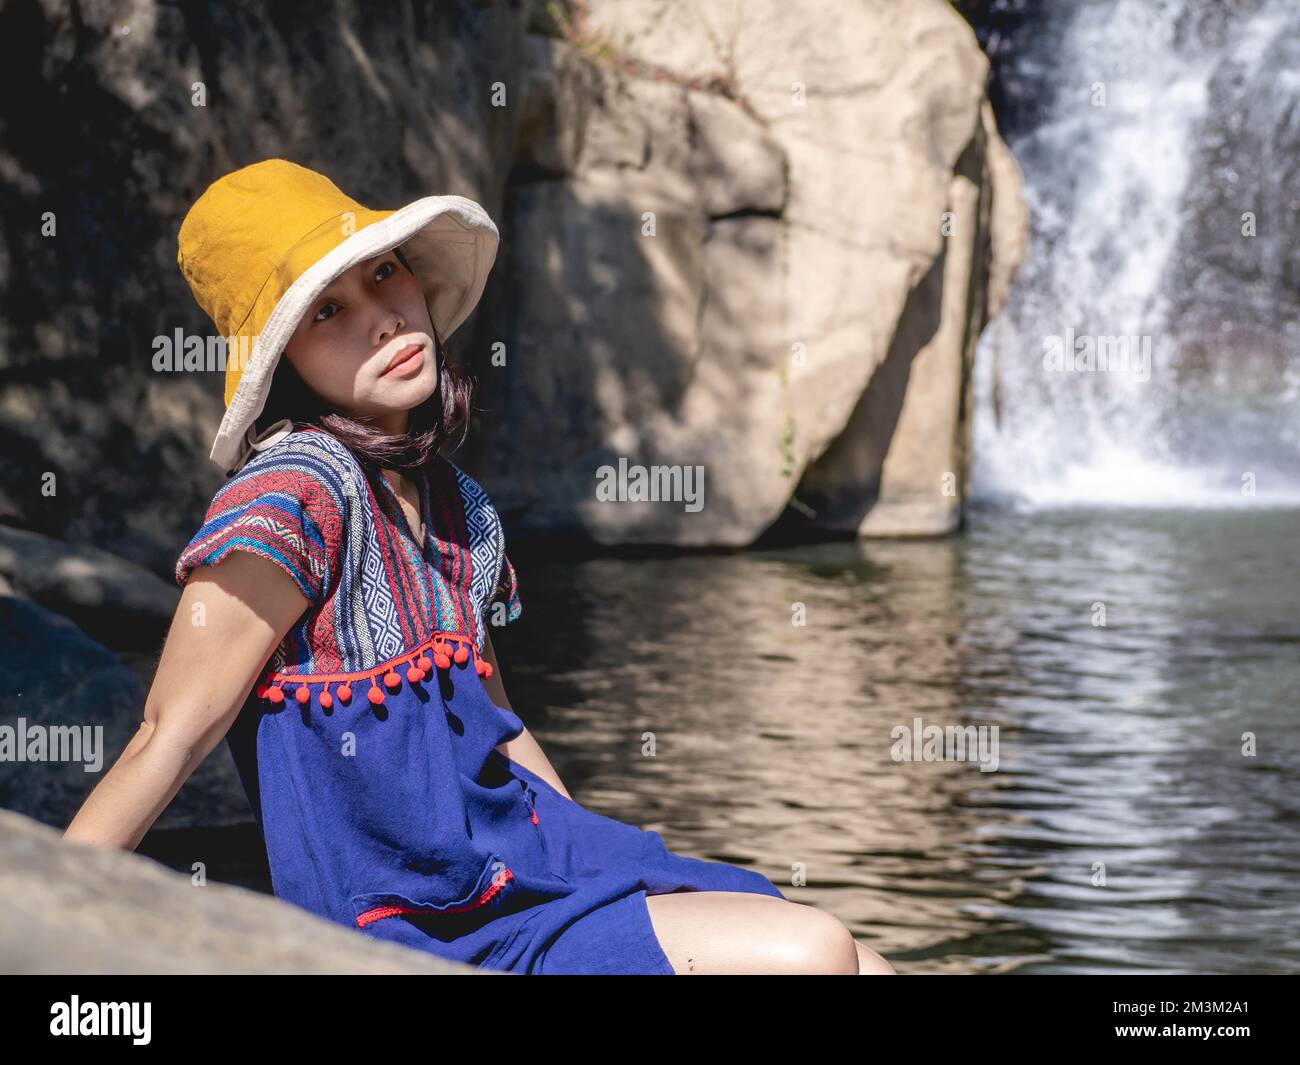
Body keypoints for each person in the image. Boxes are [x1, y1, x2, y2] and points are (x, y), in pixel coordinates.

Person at [63, 159, 895, 976]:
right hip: (416, 925)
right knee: (813, 952)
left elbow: (500, 720)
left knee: (870, 959)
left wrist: (592, 865)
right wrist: (41, 910)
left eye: (384, 272)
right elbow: (169, 734)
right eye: (326, 311)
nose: (383, 318)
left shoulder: (458, 502)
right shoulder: (293, 493)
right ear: (283, 365)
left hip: (523, 875)